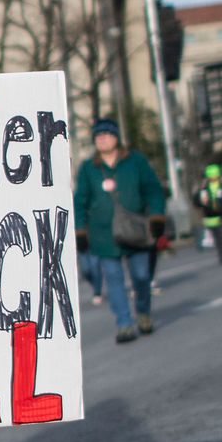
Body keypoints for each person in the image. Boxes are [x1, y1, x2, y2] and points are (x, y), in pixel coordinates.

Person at [73, 118, 166, 343]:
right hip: (103, 234)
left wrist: (156, 215)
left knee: (142, 275)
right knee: (113, 280)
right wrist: (80, 229)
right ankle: (124, 324)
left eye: (107, 134)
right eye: (98, 135)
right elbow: (80, 199)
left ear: (116, 137)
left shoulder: (135, 162)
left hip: (136, 230)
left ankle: (143, 312)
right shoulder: (89, 168)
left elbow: (153, 189)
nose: (103, 138)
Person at [193, 163, 222, 263]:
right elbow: (196, 201)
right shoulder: (203, 188)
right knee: (216, 236)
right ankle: (221, 252)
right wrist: (201, 203)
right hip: (210, 216)